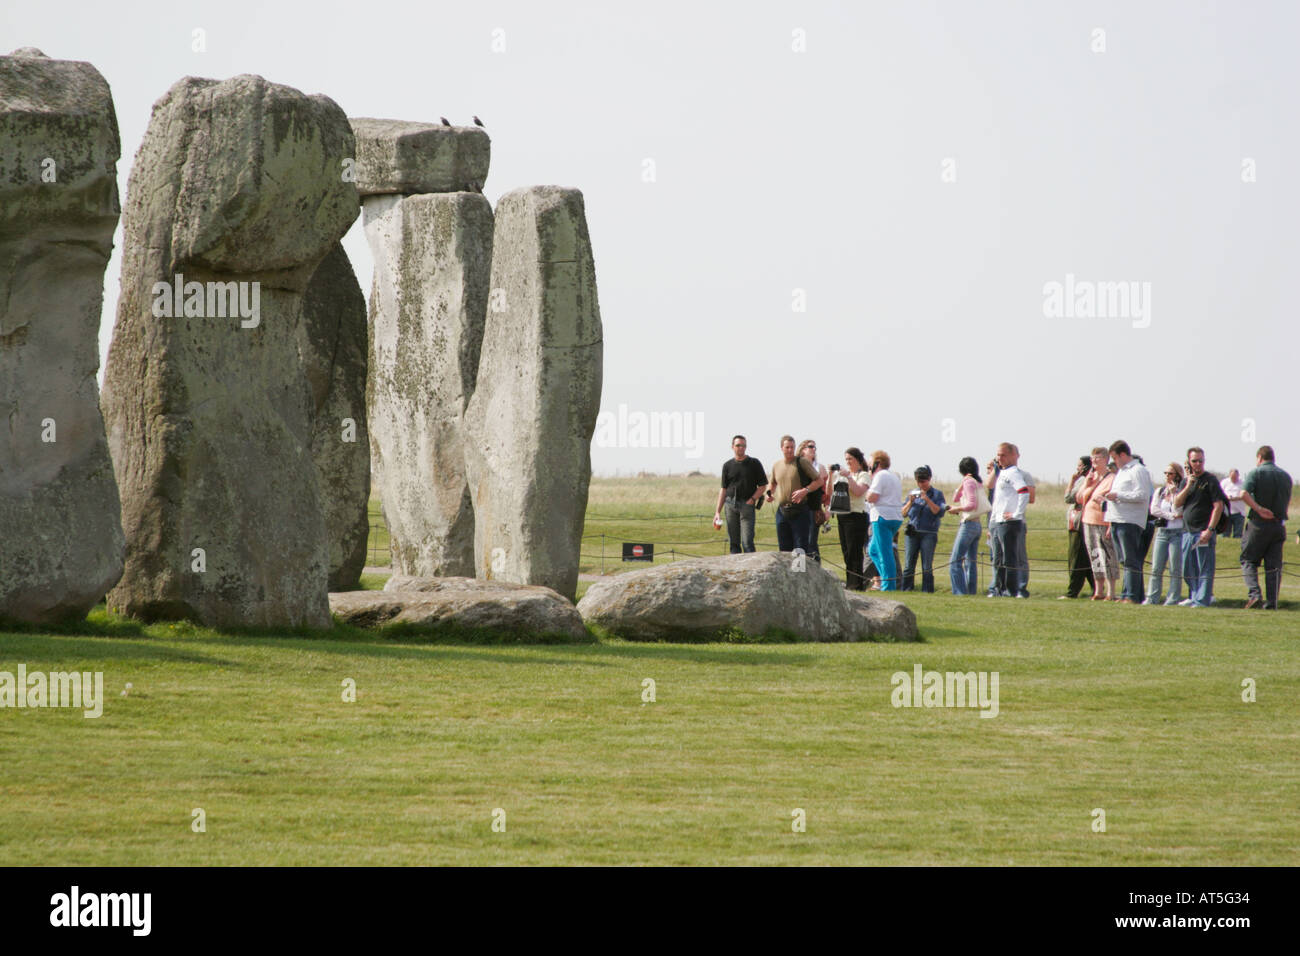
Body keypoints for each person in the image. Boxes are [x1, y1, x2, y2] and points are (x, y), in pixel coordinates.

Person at [1238, 446, 1292, 610]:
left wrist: (1258, 508)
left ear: (1260, 457)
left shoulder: (1257, 473)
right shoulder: (1286, 476)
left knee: (1248, 560)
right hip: (1278, 525)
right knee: (1274, 567)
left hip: (1259, 524)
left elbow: (1243, 494)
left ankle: (1254, 595)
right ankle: (1272, 602)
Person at [1173, 446, 1228, 608]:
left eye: (1201, 461)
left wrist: (1210, 530)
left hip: (1203, 531)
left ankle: (1202, 599)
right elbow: (1177, 503)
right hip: (1186, 531)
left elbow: (1218, 506)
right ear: (1189, 462)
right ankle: (1194, 594)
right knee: (1187, 568)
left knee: (1204, 567)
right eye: (1194, 461)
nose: (1198, 464)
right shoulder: (1185, 481)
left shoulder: (1210, 480)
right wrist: (1188, 485)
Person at [1102, 440, 1154, 604]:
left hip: (1130, 520)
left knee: (1131, 559)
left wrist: (1118, 496)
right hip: (1117, 519)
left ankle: (1131, 595)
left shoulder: (1138, 470)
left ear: (1123, 454)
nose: (1113, 462)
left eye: (1114, 458)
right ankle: (1129, 594)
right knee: (1125, 560)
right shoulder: (1122, 472)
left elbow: (1142, 495)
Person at [765, 435, 823, 555]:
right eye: (787, 447)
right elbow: (772, 484)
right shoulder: (776, 465)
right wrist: (768, 494)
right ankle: (787, 573)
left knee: (800, 549)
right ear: (782, 448)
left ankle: (800, 573)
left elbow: (819, 481)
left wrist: (805, 491)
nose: (790, 450)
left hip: (800, 510)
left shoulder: (802, 462)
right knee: (784, 549)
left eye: (792, 447)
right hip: (782, 512)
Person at [988, 442, 1031, 598]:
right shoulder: (1002, 473)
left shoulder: (1013, 473)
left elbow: (1024, 492)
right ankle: (999, 589)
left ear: (1014, 455)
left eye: (1003, 455)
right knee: (998, 558)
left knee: (1009, 558)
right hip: (998, 521)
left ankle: (1011, 590)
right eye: (998, 455)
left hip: (1009, 523)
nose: (1000, 458)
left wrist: (1016, 514)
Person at [1076, 447, 1119, 601]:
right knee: (1094, 555)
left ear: (1106, 460)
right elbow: (1079, 498)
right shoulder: (1092, 477)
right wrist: (1087, 484)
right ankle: (1098, 590)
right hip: (1088, 520)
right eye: (1093, 458)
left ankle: (1111, 591)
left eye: (1098, 458)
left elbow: (1114, 501)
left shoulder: (1112, 478)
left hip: (1103, 521)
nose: (1094, 461)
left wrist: (1110, 524)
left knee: (1108, 555)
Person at [714, 435, 767, 554]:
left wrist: (753, 499)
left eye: (743, 445)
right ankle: (736, 571)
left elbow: (763, 486)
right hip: (730, 504)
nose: (741, 448)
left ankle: (751, 570)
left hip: (747, 505)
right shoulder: (727, 465)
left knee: (747, 542)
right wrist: (717, 512)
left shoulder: (754, 463)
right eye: (738, 445)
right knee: (733, 542)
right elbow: (723, 489)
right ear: (732, 447)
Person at [830, 447, 872, 590]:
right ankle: (850, 583)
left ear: (858, 460)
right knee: (846, 552)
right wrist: (831, 475)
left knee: (855, 552)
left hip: (856, 516)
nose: (848, 462)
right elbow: (830, 492)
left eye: (850, 459)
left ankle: (856, 584)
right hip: (843, 515)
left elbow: (859, 491)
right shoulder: (842, 475)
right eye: (846, 459)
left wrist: (848, 476)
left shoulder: (864, 475)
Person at [1145, 462, 1187, 606]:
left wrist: (1175, 493)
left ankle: (1173, 598)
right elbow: (1154, 510)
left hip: (1177, 533)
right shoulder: (1160, 491)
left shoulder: (1182, 491)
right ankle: (1152, 597)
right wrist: (1169, 516)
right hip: (1162, 532)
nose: (1167, 476)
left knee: (1175, 568)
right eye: (1165, 473)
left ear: (1178, 475)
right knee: (1156, 567)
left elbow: (1179, 510)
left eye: (1171, 473)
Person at [900, 465, 947, 592]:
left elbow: (939, 512)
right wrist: (910, 502)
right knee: (909, 564)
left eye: (923, 481)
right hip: (912, 532)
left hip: (929, 533)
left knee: (926, 565)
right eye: (918, 481)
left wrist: (927, 499)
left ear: (929, 479)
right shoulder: (912, 493)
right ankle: (906, 589)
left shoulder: (937, 494)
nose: (921, 484)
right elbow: (903, 514)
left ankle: (927, 590)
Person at [865, 450, 903, 590]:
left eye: (870, 464)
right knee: (873, 549)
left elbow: (872, 497)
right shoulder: (893, 477)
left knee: (884, 553)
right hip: (895, 517)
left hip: (882, 517)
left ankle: (888, 586)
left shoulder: (880, 476)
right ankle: (887, 578)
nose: (868, 467)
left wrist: (867, 492)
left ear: (877, 463)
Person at [947, 457, 985, 595]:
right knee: (970, 562)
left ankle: (959, 592)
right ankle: (971, 592)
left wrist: (956, 509)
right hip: (977, 525)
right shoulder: (977, 482)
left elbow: (971, 505)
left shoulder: (969, 482)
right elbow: (956, 497)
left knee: (955, 562)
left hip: (968, 525)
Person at [1062, 455, 1096, 599]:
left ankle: (1072, 592)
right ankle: (1096, 590)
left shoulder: (1087, 481)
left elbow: (1069, 497)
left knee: (1077, 558)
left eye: (1080, 465)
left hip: (1080, 524)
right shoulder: (1085, 480)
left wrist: (1072, 480)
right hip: (1078, 523)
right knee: (1087, 560)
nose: (1077, 468)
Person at [797, 439, 830, 565]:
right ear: (802, 449)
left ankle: (816, 572)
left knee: (811, 542)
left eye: (815, 447)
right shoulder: (796, 464)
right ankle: (799, 570)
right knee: (799, 542)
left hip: (813, 508)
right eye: (810, 446)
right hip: (798, 507)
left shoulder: (819, 467)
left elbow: (826, 492)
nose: (813, 449)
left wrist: (827, 510)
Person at [1221, 469, 1248, 538]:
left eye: (1235, 477)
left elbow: (1246, 495)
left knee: (1238, 534)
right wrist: (1227, 497)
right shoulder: (1224, 482)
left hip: (1239, 512)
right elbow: (1220, 494)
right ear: (1229, 476)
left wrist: (1237, 498)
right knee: (1225, 534)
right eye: (1232, 477)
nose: (1234, 479)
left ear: (1238, 476)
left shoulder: (1243, 483)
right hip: (1226, 511)